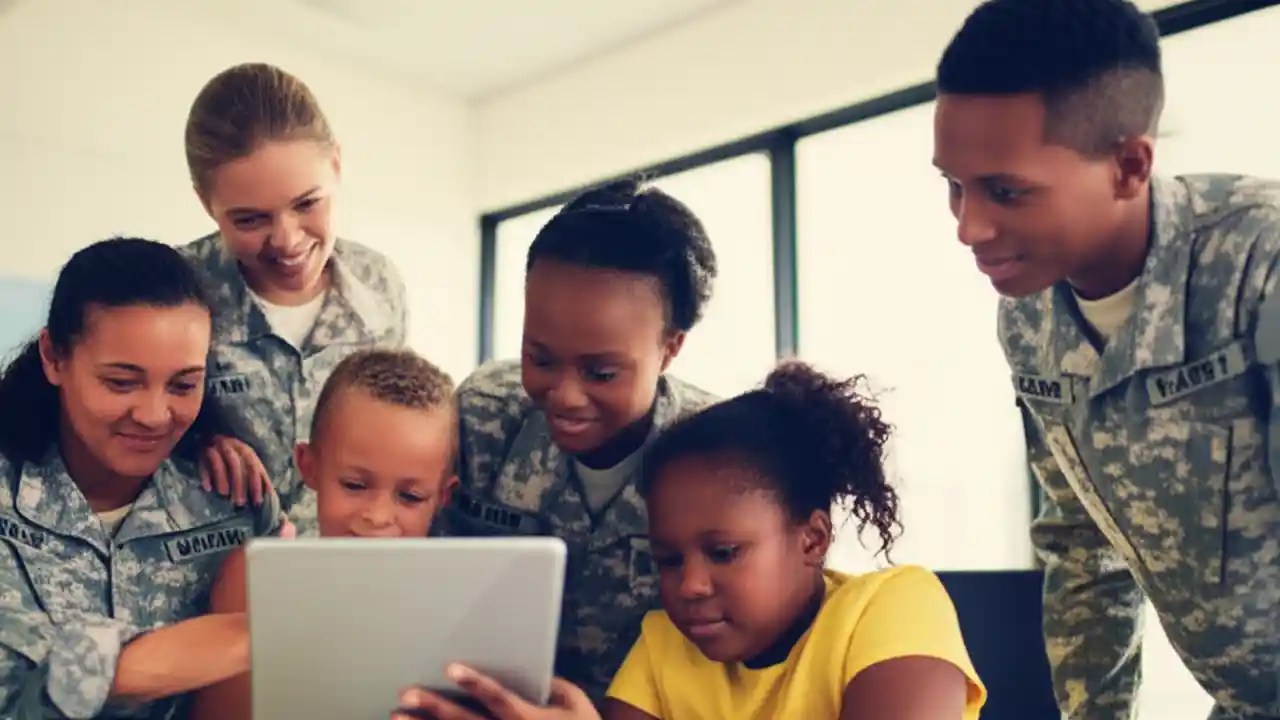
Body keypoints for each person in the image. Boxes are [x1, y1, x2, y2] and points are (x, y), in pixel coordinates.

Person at [932, 1, 1280, 717]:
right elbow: (1083, 546)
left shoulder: (1258, 264)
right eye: (954, 186)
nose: (970, 226)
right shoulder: (1029, 315)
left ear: (1129, 165)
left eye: (1006, 190)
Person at [395, 361, 988, 720]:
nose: (690, 586)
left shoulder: (893, 606)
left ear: (812, 537)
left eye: (724, 552)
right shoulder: (663, 647)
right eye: (668, 559)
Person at [436, 178, 720, 704]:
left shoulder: (718, 457)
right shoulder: (481, 415)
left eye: (602, 372)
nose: (564, 396)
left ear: (669, 349)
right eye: (539, 359)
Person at [0, 237, 285, 719]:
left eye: (183, 384)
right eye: (121, 382)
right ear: (53, 357)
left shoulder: (235, 504)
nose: (155, 415)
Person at [180, 62, 408, 536]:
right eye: (249, 220)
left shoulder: (379, 285)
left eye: (307, 204)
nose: (286, 241)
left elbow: (395, 427)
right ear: (207, 203)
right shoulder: (175, 289)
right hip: (211, 571)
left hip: (344, 562)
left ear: (337, 165)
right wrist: (194, 440)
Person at [189, 347, 459, 720]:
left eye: (410, 496)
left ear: (443, 497)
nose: (377, 517)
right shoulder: (255, 585)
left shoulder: (461, 605)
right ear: (309, 467)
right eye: (353, 485)